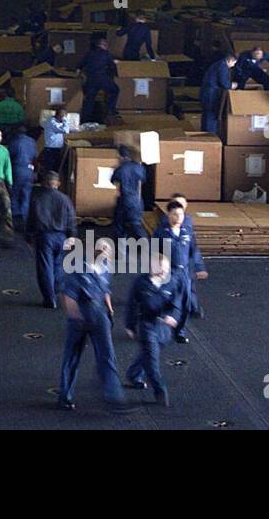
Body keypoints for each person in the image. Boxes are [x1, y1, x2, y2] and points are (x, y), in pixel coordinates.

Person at [57, 241, 127, 412]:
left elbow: (105, 290)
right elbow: (68, 296)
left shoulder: (106, 268)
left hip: (99, 314)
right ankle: (65, 396)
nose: (103, 251)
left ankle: (113, 395)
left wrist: (109, 309)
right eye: (101, 247)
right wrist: (75, 317)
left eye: (107, 249)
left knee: (107, 355)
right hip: (80, 315)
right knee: (72, 357)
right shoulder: (78, 269)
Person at [123, 252, 183, 406]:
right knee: (152, 361)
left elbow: (176, 303)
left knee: (148, 354)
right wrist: (129, 325)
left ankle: (133, 374)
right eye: (160, 268)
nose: (164, 271)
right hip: (147, 325)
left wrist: (173, 316)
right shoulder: (140, 283)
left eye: (166, 268)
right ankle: (160, 391)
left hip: (164, 328)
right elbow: (131, 304)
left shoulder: (171, 282)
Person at [154, 198, 207, 343]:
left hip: (184, 273)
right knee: (166, 303)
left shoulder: (186, 232)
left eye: (181, 215)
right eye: (175, 214)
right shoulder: (161, 233)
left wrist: (199, 268)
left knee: (186, 304)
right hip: (168, 273)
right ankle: (158, 331)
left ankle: (180, 331)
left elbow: (194, 251)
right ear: (168, 215)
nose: (178, 218)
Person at [26, 170, 76, 309]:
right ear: (58, 184)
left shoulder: (37, 198)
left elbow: (31, 219)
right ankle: (57, 288)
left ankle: (49, 298)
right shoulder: (65, 199)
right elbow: (71, 218)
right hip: (61, 236)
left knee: (45, 267)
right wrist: (71, 235)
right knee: (58, 265)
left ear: (43, 183)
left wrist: (28, 237)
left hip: (44, 236)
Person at [110, 144, 148, 240]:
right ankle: (147, 245)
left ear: (121, 156)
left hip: (124, 199)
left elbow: (114, 181)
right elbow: (142, 182)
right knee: (136, 224)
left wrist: (115, 169)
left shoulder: (120, 169)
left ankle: (121, 249)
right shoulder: (139, 167)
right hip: (137, 200)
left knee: (120, 225)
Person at [79, 36, 119, 123]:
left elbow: (80, 64)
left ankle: (84, 119)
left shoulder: (89, 53)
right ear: (103, 45)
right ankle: (110, 110)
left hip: (90, 79)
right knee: (115, 90)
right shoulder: (106, 53)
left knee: (89, 99)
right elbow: (112, 67)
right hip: (101, 78)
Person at [7, 125, 39, 228]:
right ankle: (25, 217)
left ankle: (15, 216)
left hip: (17, 169)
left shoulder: (14, 142)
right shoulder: (32, 142)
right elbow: (35, 156)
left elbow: (9, 155)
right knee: (26, 194)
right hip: (29, 169)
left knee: (14, 193)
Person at [199, 53, 238, 134]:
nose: (233, 65)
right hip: (211, 94)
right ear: (230, 60)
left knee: (206, 114)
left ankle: (204, 133)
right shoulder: (222, 67)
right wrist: (232, 85)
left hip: (207, 92)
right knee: (211, 114)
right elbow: (224, 83)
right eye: (234, 63)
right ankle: (210, 135)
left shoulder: (218, 64)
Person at [41, 107, 70, 174]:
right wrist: (65, 120)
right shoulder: (52, 122)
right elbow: (65, 130)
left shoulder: (59, 123)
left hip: (58, 149)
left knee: (57, 170)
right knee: (50, 170)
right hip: (51, 150)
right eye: (63, 117)